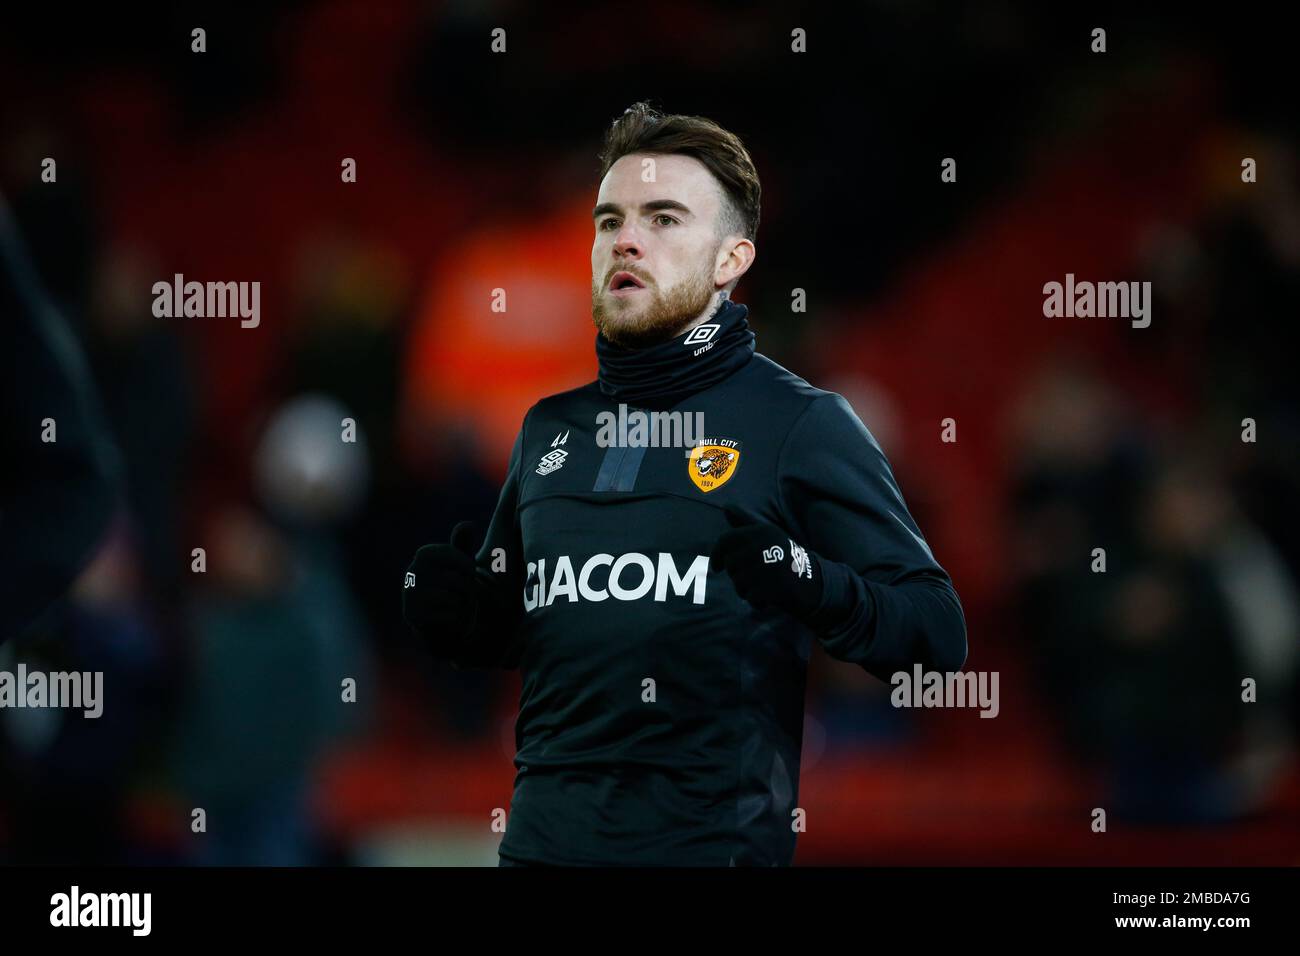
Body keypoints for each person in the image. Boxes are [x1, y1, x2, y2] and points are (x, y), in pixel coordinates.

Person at [403, 102, 966, 866]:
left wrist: (811, 583)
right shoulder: (549, 429)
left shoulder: (798, 424)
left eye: (664, 218)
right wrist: (470, 622)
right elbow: (535, 625)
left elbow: (935, 633)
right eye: (609, 221)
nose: (624, 239)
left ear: (731, 259)